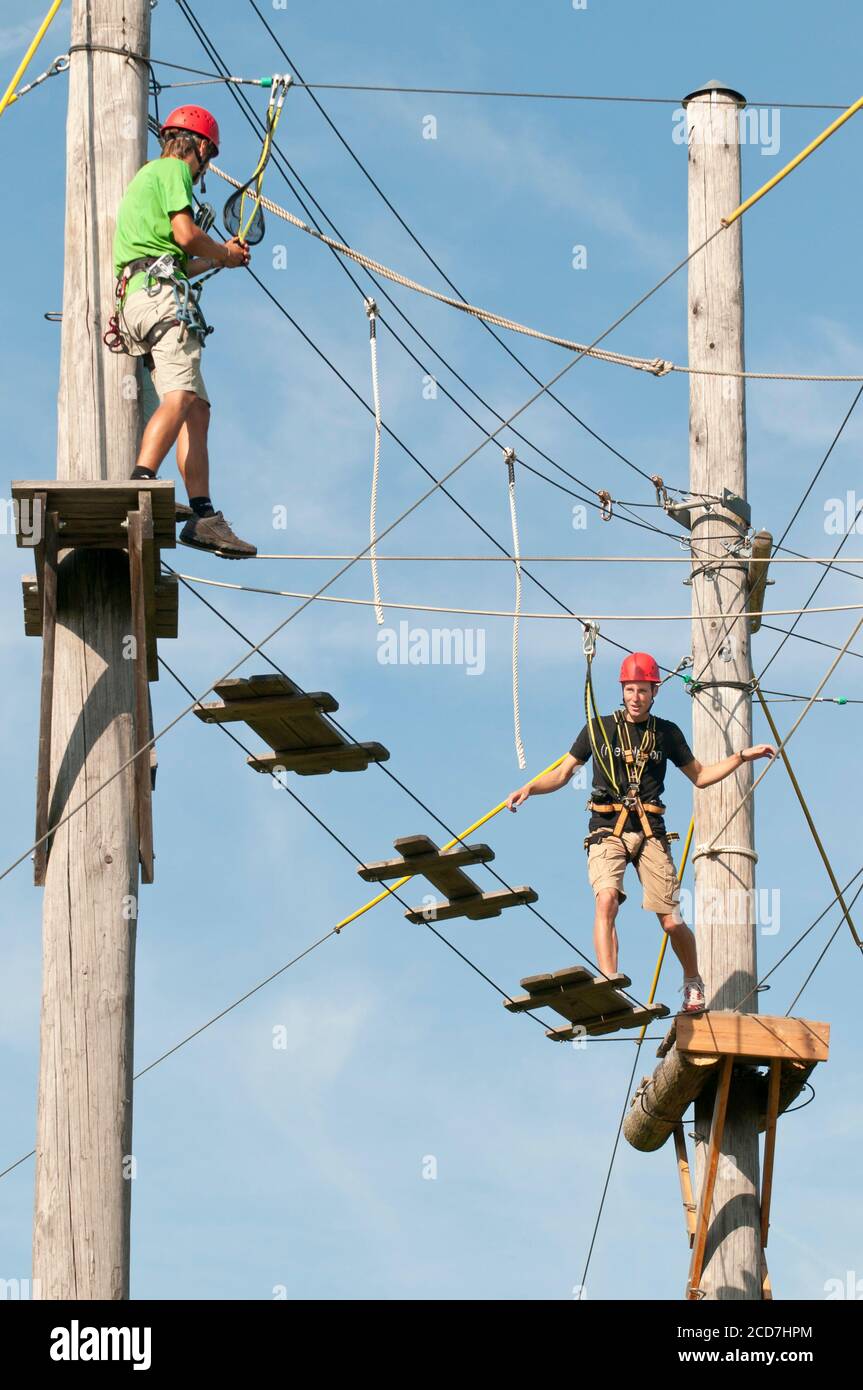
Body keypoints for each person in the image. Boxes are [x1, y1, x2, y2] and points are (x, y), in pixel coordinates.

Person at [505, 652, 777, 1013]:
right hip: (607, 830)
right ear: (623, 690)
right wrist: (530, 788)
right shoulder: (599, 730)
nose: (636, 697)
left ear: (654, 692)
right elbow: (564, 772)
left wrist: (742, 756)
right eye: (630, 690)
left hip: (650, 832)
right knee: (606, 899)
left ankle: (693, 982)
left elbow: (701, 775)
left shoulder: (666, 733)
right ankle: (608, 981)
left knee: (671, 920)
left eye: (643, 690)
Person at [112, 105, 257, 558]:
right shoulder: (173, 169)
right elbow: (186, 235)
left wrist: (219, 257)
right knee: (179, 398)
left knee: (196, 408)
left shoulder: (146, 179)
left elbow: (183, 256)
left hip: (142, 295)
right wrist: (224, 253)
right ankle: (140, 482)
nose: (203, 171)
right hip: (160, 300)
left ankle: (203, 514)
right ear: (197, 147)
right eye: (206, 159)